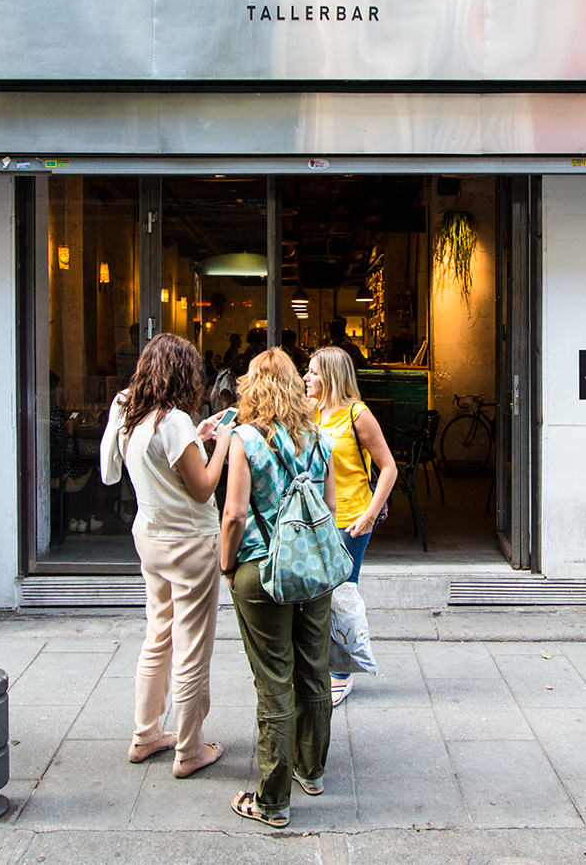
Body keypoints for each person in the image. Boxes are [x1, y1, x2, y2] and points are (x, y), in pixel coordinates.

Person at [100, 333, 233, 779]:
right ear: (183, 373)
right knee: (192, 649)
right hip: (190, 545)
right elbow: (202, 487)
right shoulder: (172, 421)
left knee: (157, 636)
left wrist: (197, 439)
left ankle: (145, 735)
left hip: (150, 539)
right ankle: (190, 749)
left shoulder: (130, 414)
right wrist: (223, 445)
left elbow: (112, 471)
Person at [220, 347, 337, 828]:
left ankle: (273, 800)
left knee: (273, 682)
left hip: (261, 569)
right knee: (314, 669)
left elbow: (234, 515)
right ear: (293, 385)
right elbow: (327, 514)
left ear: (254, 387)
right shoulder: (320, 439)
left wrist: (228, 567)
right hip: (311, 571)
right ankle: (312, 770)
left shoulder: (244, 439)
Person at [304, 346, 397, 706]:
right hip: (315, 520)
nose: (306, 378)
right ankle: (323, 664)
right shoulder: (309, 412)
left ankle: (341, 673)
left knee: (342, 595)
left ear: (330, 376)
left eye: (312, 372)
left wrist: (370, 515)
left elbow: (388, 467)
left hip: (351, 521)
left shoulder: (358, 414)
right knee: (316, 595)